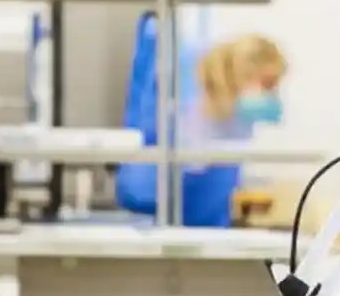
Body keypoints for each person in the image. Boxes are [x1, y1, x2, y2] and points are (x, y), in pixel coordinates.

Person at [116, 23, 286, 227]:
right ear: (244, 74)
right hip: (168, 211)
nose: (272, 95)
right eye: (268, 84)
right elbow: (194, 174)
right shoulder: (191, 104)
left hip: (204, 219)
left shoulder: (235, 117)